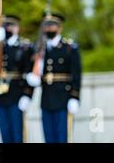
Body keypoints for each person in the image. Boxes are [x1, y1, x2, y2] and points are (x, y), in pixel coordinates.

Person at [26, 12, 82, 143]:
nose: (49, 29)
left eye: (53, 26)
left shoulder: (69, 48)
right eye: (47, 26)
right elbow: (34, 74)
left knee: (62, 137)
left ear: (60, 27)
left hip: (63, 98)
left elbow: (76, 74)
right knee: (48, 137)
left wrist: (75, 96)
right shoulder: (41, 49)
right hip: (46, 100)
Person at [0, 15, 34, 143]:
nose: (7, 29)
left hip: (17, 94)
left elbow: (30, 73)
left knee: (17, 134)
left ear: (17, 28)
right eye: (5, 26)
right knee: (4, 132)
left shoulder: (25, 46)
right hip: (0, 94)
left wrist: (27, 94)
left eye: (10, 26)